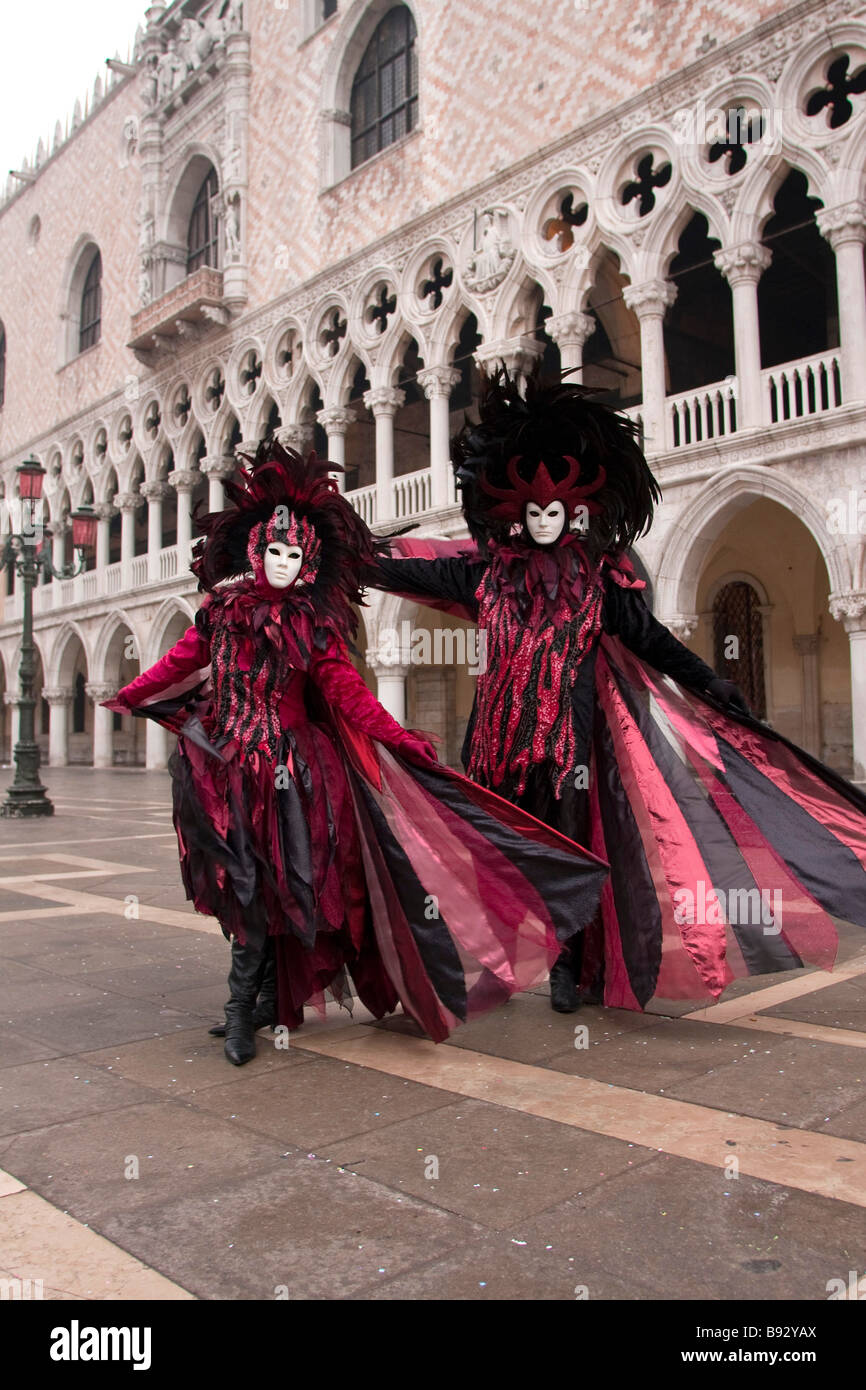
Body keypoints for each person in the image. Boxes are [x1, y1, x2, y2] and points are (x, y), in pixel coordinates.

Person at [366, 369, 866, 1013]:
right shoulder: (481, 576)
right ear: (514, 512)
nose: (544, 522)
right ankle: (509, 957)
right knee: (500, 854)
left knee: (569, 856)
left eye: (555, 511)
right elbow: (399, 567)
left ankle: (569, 967)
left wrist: (710, 680)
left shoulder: (599, 586)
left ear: (575, 511)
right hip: (494, 747)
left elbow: (655, 641)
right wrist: (340, 550)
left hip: (568, 753)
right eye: (533, 511)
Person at [103, 439, 607, 1064]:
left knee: (278, 889)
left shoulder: (315, 626)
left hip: (291, 778)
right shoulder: (219, 614)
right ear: (255, 551)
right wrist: (126, 695)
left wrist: (401, 738)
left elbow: (348, 694)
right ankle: (257, 1002)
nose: (283, 563)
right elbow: (180, 663)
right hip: (226, 774)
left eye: (294, 554)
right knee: (241, 889)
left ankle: (244, 1012)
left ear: (307, 561)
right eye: (274, 552)